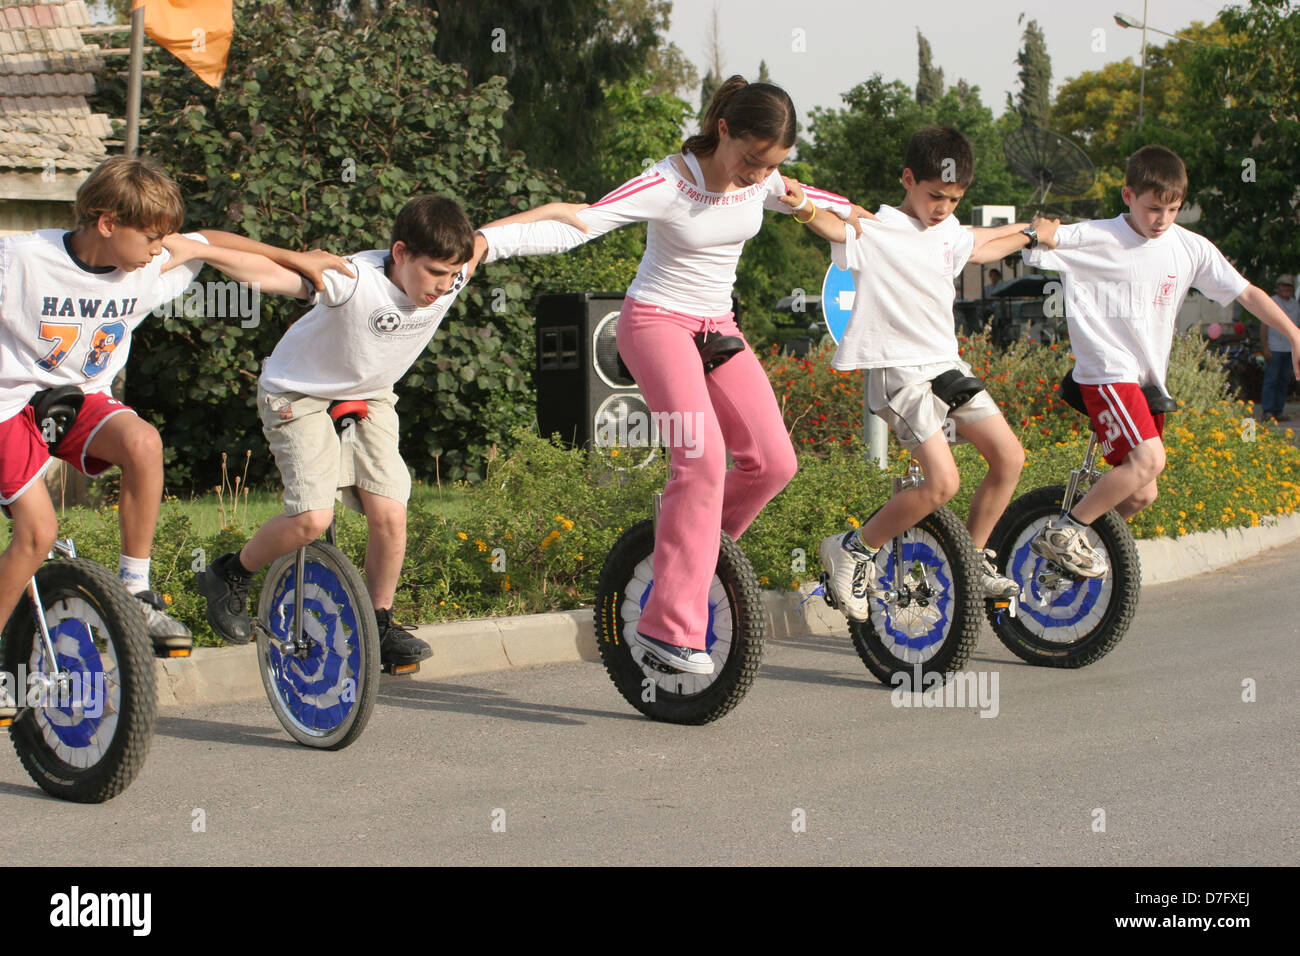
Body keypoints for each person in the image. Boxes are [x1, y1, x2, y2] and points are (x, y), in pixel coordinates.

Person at [476, 76, 869, 676]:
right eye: (750, 161)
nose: (757, 177)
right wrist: (484, 243)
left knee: (774, 463)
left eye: (771, 167)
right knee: (701, 460)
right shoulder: (667, 182)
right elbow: (576, 222)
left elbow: (848, 217)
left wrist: (829, 214)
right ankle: (667, 625)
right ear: (724, 130)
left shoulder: (764, 182)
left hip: (717, 327)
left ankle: (695, 554)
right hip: (655, 324)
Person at [186, 196, 492, 668]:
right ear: (400, 253)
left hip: (370, 392)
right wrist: (195, 246)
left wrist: (584, 214)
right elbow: (257, 271)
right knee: (312, 520)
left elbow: (515, 234)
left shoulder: (453, 274)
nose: (444, 287)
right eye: (434, 273)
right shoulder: (349, 280)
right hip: (298, 393)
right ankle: (230, 573)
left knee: (391, 512)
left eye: (453, 275)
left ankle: (377, 622)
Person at [1024, 146, 1300, 576]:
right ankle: (1064, 531)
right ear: (1128, 195)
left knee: (1140, 494)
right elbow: (1032, 238)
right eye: (1154, 208)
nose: (1162, 220)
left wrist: (1295, 334)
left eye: (1173, 209)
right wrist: (1025, 231)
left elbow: (1247, 293)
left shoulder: (1190, 247)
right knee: (1150, 459)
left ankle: (1066, 552)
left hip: (1147, 382)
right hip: (1106, 372)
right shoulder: (1096, 236)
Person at [798, 125, 1037, 619]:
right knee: (942, 482)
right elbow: (831, 227)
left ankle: (968, 559)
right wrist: (802, 204)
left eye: (954, 199)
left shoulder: (948, 230)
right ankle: (853, 548)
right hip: (899, 373)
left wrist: (1032, 234)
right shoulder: (876, 228)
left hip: (945, 365)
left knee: (1009, 458)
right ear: (907, 179)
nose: (943, 208)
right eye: (934, 196)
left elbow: (981, 244)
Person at [0, 156, 218, 654]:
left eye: (165, 240)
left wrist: (302, 263)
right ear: (107, 223)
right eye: (151, 240)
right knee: (37, 533)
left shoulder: (140, 265)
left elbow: (216, 243)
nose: (160, 252)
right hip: (7, 404)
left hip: (75, 399)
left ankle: (134, 588)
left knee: (143, 441)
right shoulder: (21, 259)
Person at [1259, 274, 1298, 423]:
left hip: (1289, 349)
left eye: (1288, 286)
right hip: (1274, 348)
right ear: (1278, 287)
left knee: (1283, 381)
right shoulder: (1272, 301)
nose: (1285, 288)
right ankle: (1267, 411)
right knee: (1271, 380)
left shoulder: (1295, 304)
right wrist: (1265, 347)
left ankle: (1278, 411)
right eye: (1283, 285)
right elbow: (1264, 325)